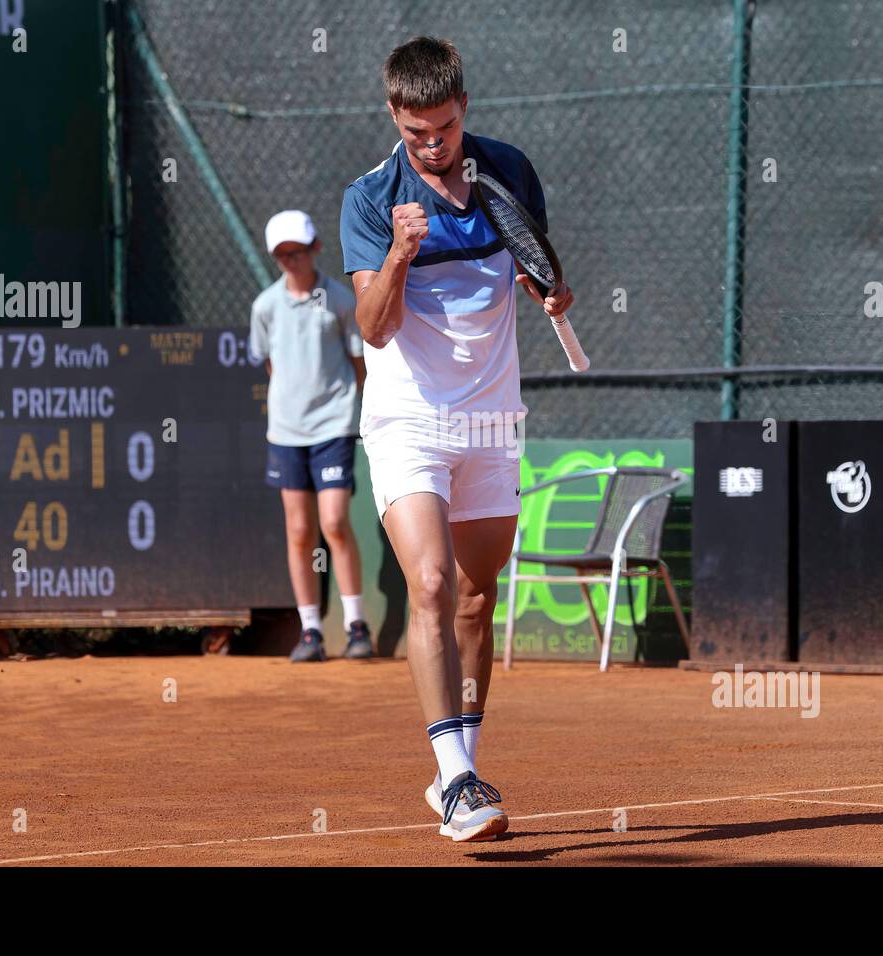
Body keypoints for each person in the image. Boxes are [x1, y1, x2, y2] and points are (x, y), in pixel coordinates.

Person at [339, 37, 574, 842]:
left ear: (462, 108)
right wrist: (402, 251)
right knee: (431, 584)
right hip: (408, 418)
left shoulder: (509, 167)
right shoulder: (371, 199)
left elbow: (533, 258)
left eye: (441, 128)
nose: (431, 146)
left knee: (477, 596)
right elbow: (374, 329)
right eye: (414, 133)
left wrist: (547, 285)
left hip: (492, 417)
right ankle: (459, 778)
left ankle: (458, 773)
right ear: (394, 119)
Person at [250, 209, 373, 662]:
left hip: (333, 427)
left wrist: (361, 411)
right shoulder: (264, 307)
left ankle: (357, 624)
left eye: (298, 252)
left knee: (335, 523)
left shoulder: (341, 300)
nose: (291, 261)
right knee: (300, 529)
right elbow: (270, 364)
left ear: (316, 248)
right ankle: (310, 632)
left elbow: (358, 363)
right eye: (282, 255)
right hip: (285, 431)